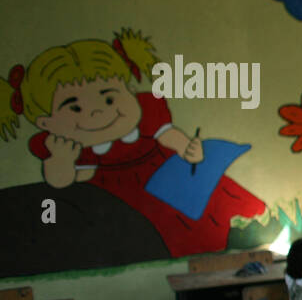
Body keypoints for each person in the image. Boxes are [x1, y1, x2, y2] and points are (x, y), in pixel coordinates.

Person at [1, 29, 265, 255]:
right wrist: (61, 161)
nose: (97, 113)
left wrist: (188, 149)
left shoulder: (148, 114)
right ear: (47, 123)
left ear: (128, 91)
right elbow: (60, 182)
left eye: (108, 98)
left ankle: (244, 228)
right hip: (124, 192)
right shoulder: (65, 148)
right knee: (165, 220)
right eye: (75, 108)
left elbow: (169, 135)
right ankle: (216, 240)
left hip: (164, 170)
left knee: (212, 192)